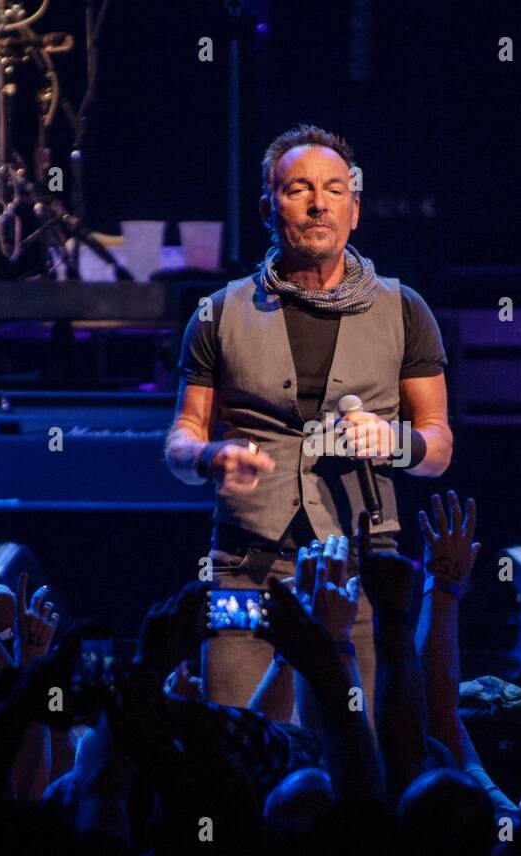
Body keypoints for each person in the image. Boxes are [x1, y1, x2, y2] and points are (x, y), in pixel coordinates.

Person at [164, 123, 453, 709]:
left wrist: (395, 440)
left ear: (355, 210)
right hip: (245, 566)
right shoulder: (218, 313)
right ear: (269, 208)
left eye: (334, 189)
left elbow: (439, 446)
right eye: (298, 189)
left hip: (365, 566)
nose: (318, 202)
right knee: (237, 740)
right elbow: (182, 438)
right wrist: (208, 455)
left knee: (364, 747)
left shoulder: (404, 309)